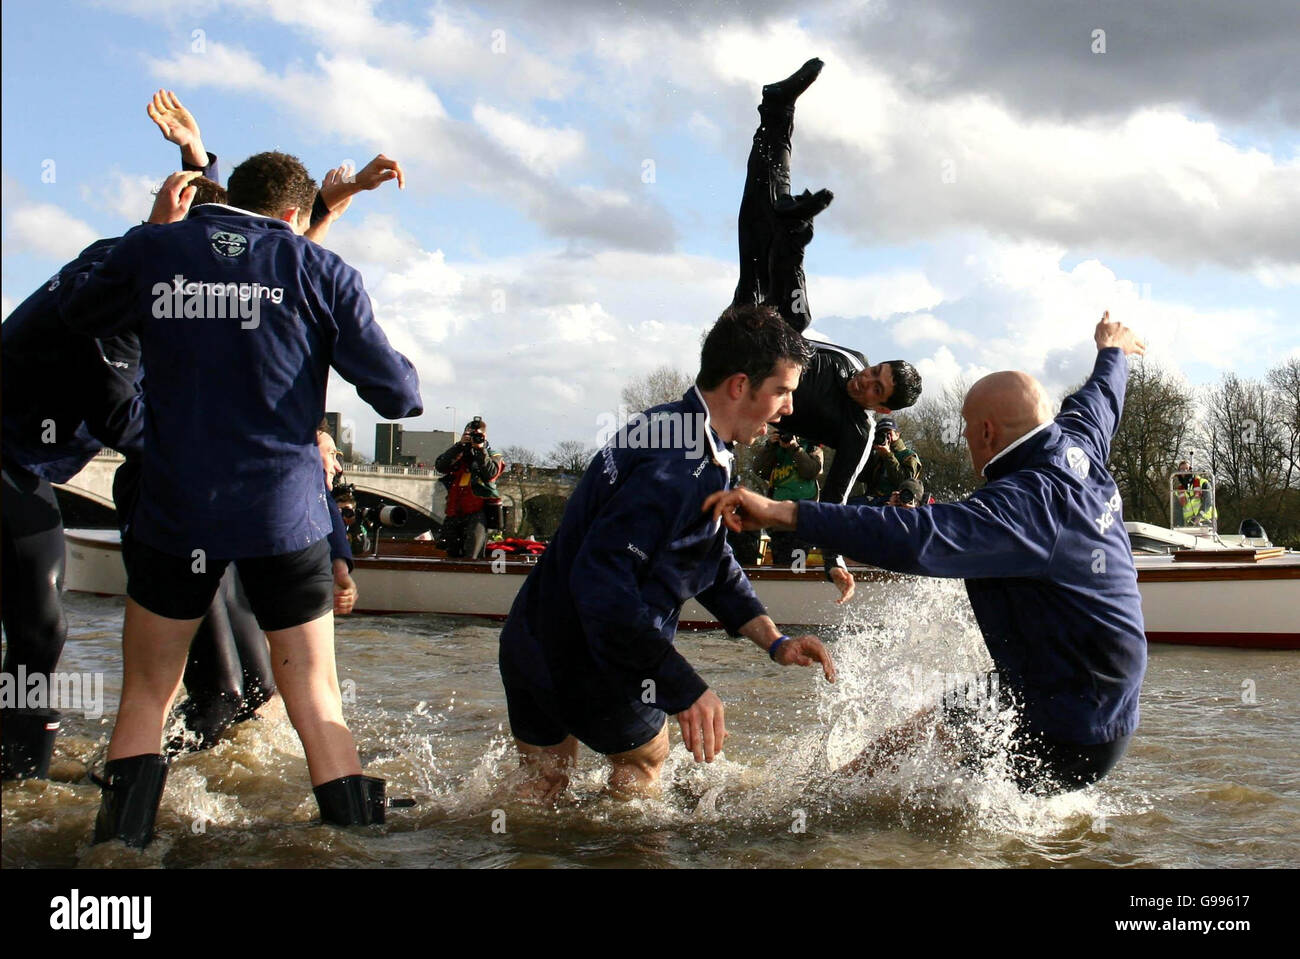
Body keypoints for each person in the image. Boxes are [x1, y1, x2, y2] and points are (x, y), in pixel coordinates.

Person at [60, 150, 422, 846]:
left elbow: (81, 313)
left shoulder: (155, 248)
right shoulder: (319, 270)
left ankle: (116, 857)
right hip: (283, 514)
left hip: (173, 509)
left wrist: (153, 233)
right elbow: (397, 396)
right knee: (316, 699)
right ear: (294, 215)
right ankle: (348, 849)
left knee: (146, 695)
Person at [705, 313, 1148, 796]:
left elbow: (917, 536)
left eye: (964, 428)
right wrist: (1112, 351)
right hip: (1083, 693)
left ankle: (823, 810)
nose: (962, 440)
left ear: (986, 433)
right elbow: (1103, 394)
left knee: (930, 807)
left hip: (1071, 728)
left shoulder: (1025, 507)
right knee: (915, 739)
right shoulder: (1077, 440)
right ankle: (823, 792)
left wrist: (786, 514)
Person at [497, 304, 836, 802]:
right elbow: (601, 583)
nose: (788, 409)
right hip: (595, 661)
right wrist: (680, 685)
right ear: (740, 386)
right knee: (646, 763)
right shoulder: (681, 467)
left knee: (541, 795)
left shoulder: (667, 427)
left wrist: (775, 640)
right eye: (782, 392)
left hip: (530, 644)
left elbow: (711, 559)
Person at [0, 95, 220, 780]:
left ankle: (16, 772)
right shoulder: (114, 304)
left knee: (39, 630)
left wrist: (197, 158)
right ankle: (18, 775)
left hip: (22, 464)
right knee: (40, 627)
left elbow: (209, 225)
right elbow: (123, 419)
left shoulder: (129, 258)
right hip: (6, 458)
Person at [727, 60, 922, 599]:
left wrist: (833, 557)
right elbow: (792, 333)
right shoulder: (848, 360)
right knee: (762, 197)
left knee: (795, 319)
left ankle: (797, 232)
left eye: (875, 388)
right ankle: (778, 108)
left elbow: (834, 499)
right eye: (873, 372)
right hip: (759, 312)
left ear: (882, 409)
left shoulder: (857, 436)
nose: (863, 381)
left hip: (740, 351)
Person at [434, 417, 505, 559]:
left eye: (477, 435)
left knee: (472, 555)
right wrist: (459, 445)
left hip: (477, 511)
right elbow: (441, 466)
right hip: (454, 510)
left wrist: (480, 450)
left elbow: (491, 473)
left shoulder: (492, 455)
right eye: (470, 435)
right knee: (451, 554)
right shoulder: (459, 453)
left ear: (484, 437)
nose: (473, 438)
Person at [754, 431, 823, 566]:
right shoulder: (775, 449)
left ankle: (797, 580)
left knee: (797, 567)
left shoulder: (812, 446)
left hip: (802, 517)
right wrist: (770, 446)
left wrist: (795, 448)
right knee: (781, 565)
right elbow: (759, 470)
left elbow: (811, 471)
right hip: (779, 518)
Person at [853, 416, 922, 506]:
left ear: (897, 434)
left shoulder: (909, 456)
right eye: (881, 434)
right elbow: (862, 477)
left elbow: (904, 482)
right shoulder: (877, 454)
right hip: (873, 498)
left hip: (897, 501)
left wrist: (887, 455)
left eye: (889, 433)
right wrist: (868, 451)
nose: (886, 437)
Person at [1172, 459, 1215, 527]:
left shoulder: (1203, 483)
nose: (1185, 471)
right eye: (1182, 469)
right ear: (1179, 473)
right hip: (1189, 524)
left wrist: (1199, 516)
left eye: (1187, 468)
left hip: (1207, 520)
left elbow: (1208, 502)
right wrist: (1179, 525)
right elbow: (1178, 512)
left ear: (1191, 470)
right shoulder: (1178, 492)